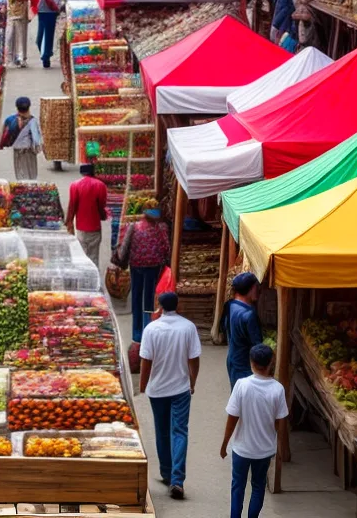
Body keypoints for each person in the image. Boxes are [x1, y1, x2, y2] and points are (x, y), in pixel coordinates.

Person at [139, 291, 201, 500]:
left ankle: (166, 472)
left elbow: (146, 361)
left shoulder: (151, 329)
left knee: (162, 431)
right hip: (180, 389)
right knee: (180, 431)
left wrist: (142, 386)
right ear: (178, 305)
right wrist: (192, 381)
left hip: (157, 390)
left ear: (159, 306)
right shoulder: (188, 327)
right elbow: (194, 358)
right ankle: (177, 479)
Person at [221, 343, 288, 518]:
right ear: (270, 363)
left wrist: (224, 444)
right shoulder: (278, 389)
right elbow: (280, 423)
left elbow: (232, 418)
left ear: (251, 362)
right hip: (264, 450)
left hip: (242, 449)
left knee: (238, 487)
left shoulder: (242, 385)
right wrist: (279, 447)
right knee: (258, 487)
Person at [119, 207, 171, 343]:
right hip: (153, 267)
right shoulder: (162, 228)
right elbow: (166, 247)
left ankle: (137, 334)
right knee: (148, 298)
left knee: (136, 297)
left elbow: (124, 246)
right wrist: (166, 262)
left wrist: (121, 259)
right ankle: (148, 330)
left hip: (136, 265)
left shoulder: (134, 227)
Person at [224, 273, 263, 387]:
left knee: (237, 396)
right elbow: (257, 344)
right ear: (250, 289)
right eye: (256, 287)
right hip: (245, 365)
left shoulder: (230, 305)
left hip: (232, 359)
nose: (258, 291)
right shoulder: (249, 314)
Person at [65, 162, 107, 268]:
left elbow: (72, 206)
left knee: (81, 256)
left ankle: (83, 282)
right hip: (95, 227)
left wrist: (69, 221)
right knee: (93, 257)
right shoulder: (100, 185)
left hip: (81, 228)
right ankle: (94, 282)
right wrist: (102, 216)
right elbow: (102, 206)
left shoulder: (75, 185)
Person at [0, 96, 43, 180]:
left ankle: (21, 190)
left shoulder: (10, 120)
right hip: (29, 152)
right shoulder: (32, 121)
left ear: (17, 107)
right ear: (29, 107)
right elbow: (36, 140)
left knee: (20, 174)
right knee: (31, 175)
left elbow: (2, 135)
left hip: (17, 151)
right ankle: (30, 190)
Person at [35, 0, 63, 68]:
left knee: (46, 35)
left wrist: (55, 5)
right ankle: (46, 54)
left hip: (49, 9)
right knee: (42, 36)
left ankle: (46, 57)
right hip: (43, 9)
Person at [7, 0, 32, 68]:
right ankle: (19, 58)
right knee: (20, 34)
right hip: (20, 10)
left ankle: (16, 58)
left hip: (17, 10)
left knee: (14, 34)